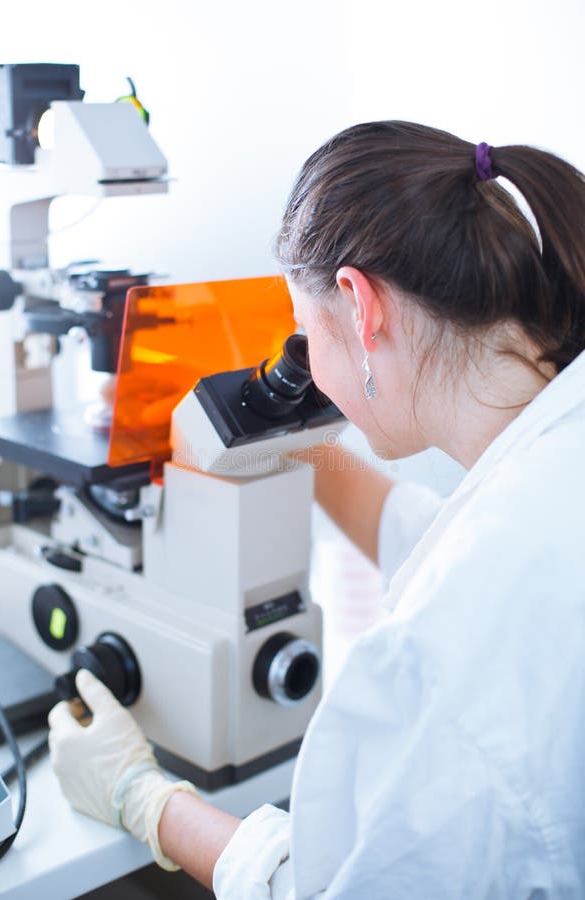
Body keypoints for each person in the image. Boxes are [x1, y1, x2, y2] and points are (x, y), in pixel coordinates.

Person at [48, 122, 585, 898]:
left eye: (303, 339)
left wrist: (145, 797)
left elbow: (327, 887)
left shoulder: (442, 652)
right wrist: (259, 424)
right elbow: (435, 536)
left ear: (360, 306)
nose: (305, 368)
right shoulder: (545, 454)